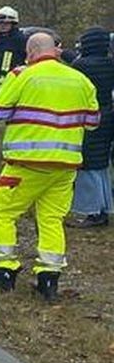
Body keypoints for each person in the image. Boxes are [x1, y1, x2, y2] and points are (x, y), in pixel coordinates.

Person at [0, 32, 100, 301]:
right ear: (56, 51)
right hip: (65, 167)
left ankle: (4, 272)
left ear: (30, 53)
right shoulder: (81, 80)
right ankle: (48, 280)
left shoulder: (22, 75)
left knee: (2, 213)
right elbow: (92, 121)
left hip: (26, 165)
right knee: (52, 220)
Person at [69, 28, 114, 227]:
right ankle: (104, 207)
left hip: (88, 117)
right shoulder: (110, 63)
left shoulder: (81, 65)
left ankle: (92, 211)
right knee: (102, 163)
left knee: (88, 164)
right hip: (108, 116)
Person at [0, 6, 27, 88]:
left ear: (13, 24)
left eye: (6, 23)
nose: (2, 26)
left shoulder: (20, 40)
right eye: (0, 23)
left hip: (12, 84)